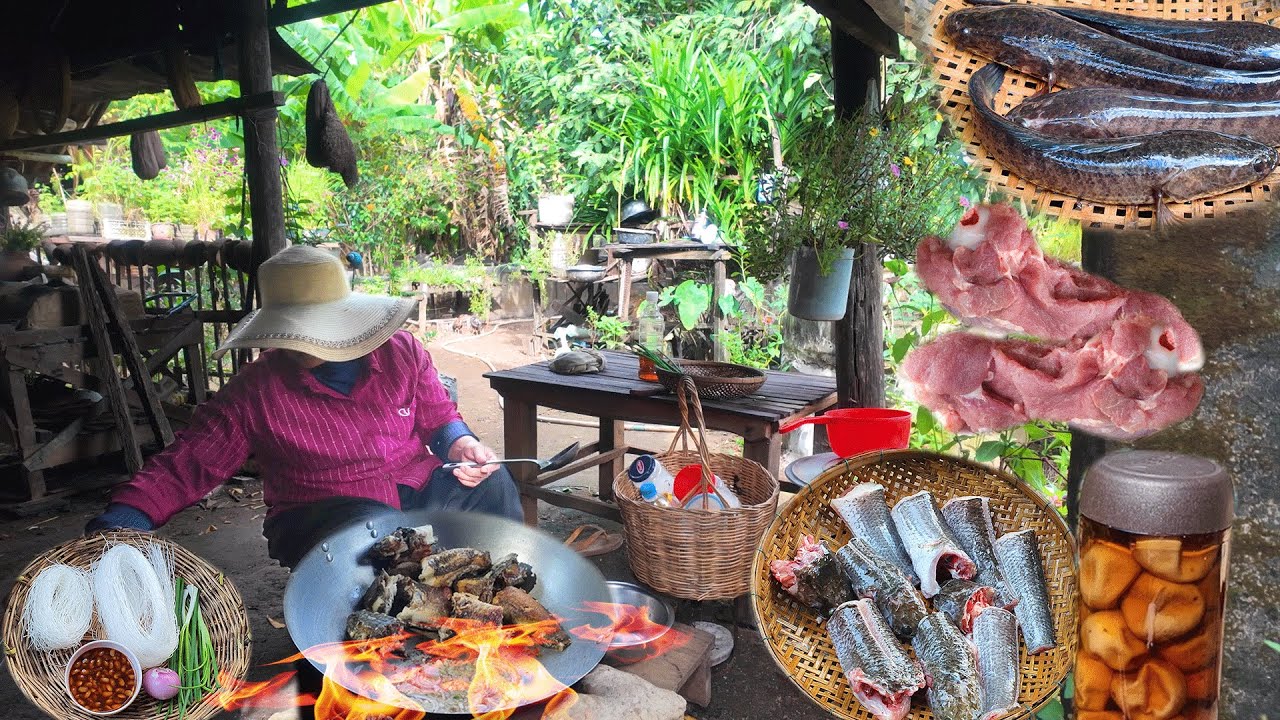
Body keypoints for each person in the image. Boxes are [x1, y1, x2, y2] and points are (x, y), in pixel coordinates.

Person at [86, 245, 523, 567]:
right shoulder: (256, 391)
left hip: (411, 487)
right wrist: (124, 521)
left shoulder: (401, 352)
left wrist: (461, 444)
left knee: (493, 483)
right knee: (377, 533)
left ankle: (487, 593)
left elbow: (438, 418)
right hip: (321, 510)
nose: (298, 342)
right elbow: (188, 462)